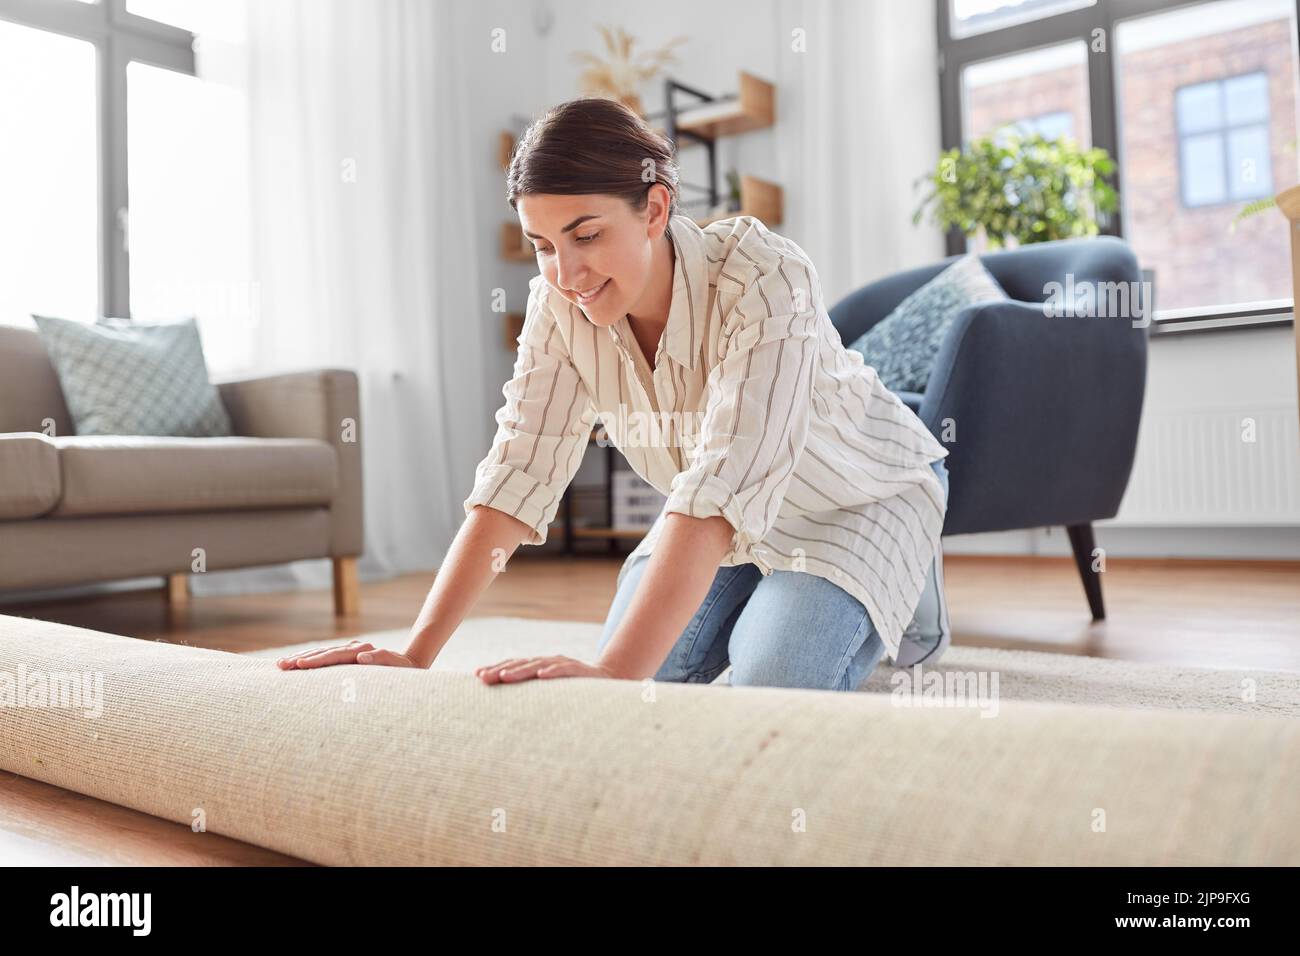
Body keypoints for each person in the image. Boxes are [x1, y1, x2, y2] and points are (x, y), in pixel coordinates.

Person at [278, 96, 951, 690]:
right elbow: (518, 474)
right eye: (542, 245)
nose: (565, 273)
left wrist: (613, 675)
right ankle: (766, 593)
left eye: (587, 235)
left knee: (769, 679)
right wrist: (416, 652)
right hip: (724, 523)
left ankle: (907, 592)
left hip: (850, 500)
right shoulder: (557, 304)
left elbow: (728, 476)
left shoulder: (764, 274)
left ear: (654, 208)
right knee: (638, 675)